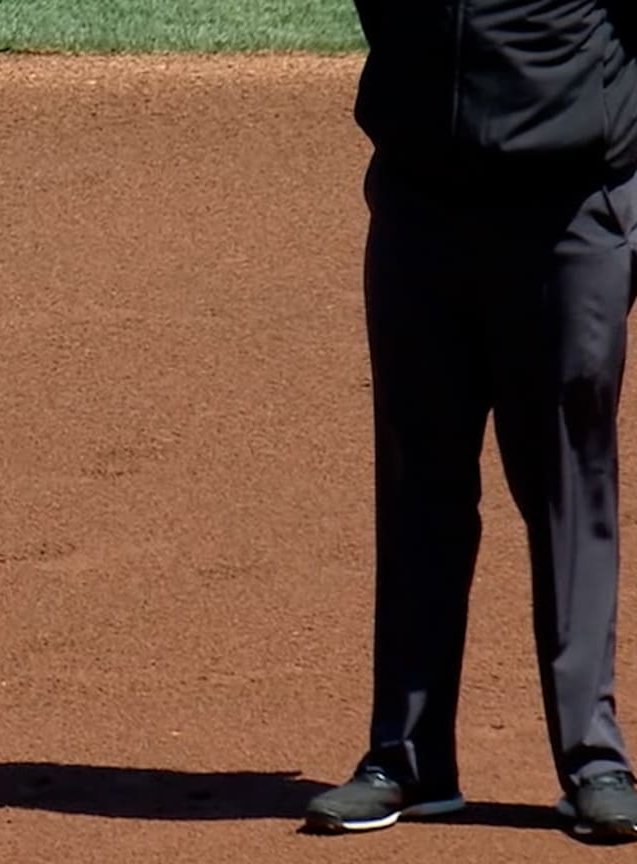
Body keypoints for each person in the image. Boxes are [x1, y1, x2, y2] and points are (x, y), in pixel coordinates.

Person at [304, 0, 637, 842]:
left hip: (568, 211)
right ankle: (408, 759)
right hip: (421, 209)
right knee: (421, 481)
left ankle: (594, 761)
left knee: (569, 484)